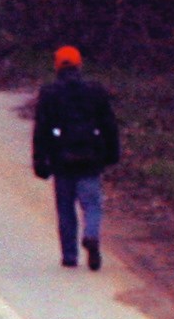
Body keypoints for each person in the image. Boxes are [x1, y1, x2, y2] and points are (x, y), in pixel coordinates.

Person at [31, 46, 122, 270]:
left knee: (65, 208)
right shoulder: (95, 91)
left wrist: (39, 159)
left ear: (56, 67)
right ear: (80, 65)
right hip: (91, 158)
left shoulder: (49, 93)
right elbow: (109, 124)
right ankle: (90, 235)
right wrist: (112, 152)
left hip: (61, 159)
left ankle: (69, 256)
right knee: (92, 204)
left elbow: (41, 129)